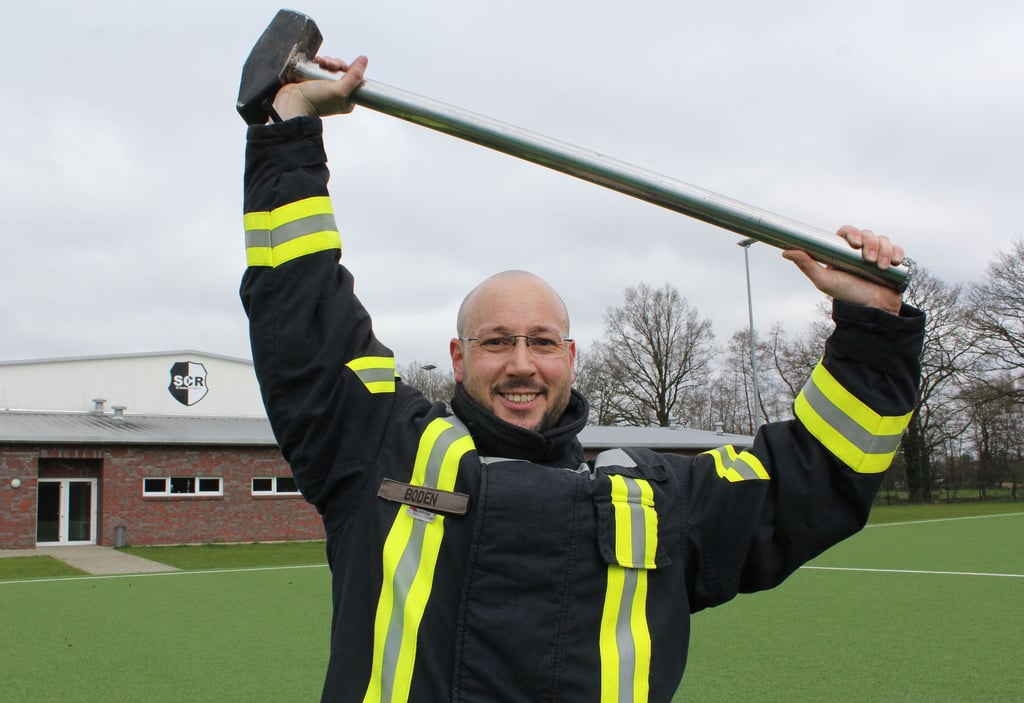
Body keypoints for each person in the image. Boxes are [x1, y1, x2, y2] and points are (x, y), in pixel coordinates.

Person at [240, 55, 923, 703]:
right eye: (496, 342)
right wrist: (292, 124)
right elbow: (301, 315)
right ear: (457, 356)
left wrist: (872, 327)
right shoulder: (382, 452)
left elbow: (821, 474)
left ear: (569, 357)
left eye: (541, 342)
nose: (520, 364)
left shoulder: (654, 498)